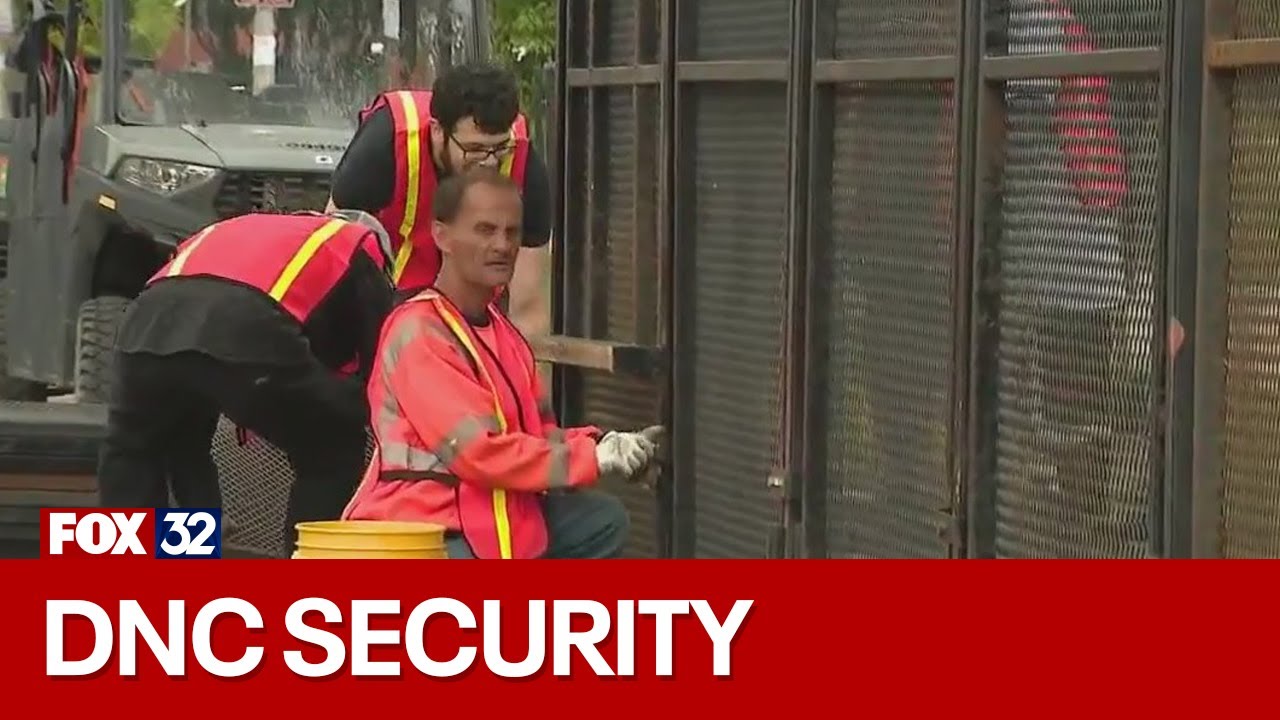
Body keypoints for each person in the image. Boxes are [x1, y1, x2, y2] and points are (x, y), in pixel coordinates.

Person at [341, 168, 660, 559]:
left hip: (493, 518)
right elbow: (476, 452)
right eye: (485, 230)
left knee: (602, 520)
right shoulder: (419, 330)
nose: (502, 245)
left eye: (512, 232)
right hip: (425, 529)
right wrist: (590, 459)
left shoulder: (504, 336)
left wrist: (603, 443)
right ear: (442, 236)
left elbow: (536, 435)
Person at [96, 209, 397, 551]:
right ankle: (308, 575)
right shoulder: (358, 244)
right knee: (332, 447)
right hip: (243, 326)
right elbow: (382, 362)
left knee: (141, 446)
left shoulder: (241, 228)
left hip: (145, 325)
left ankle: (162, 569)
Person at [327, 61, 552, 337]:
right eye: (475, 149)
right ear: (437, 131)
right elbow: (330, 266)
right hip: (390, 299)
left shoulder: (522, 159)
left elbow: (528, 307)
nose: (489, 163)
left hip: (476, 308)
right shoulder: (385, 144)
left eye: (499, 149)